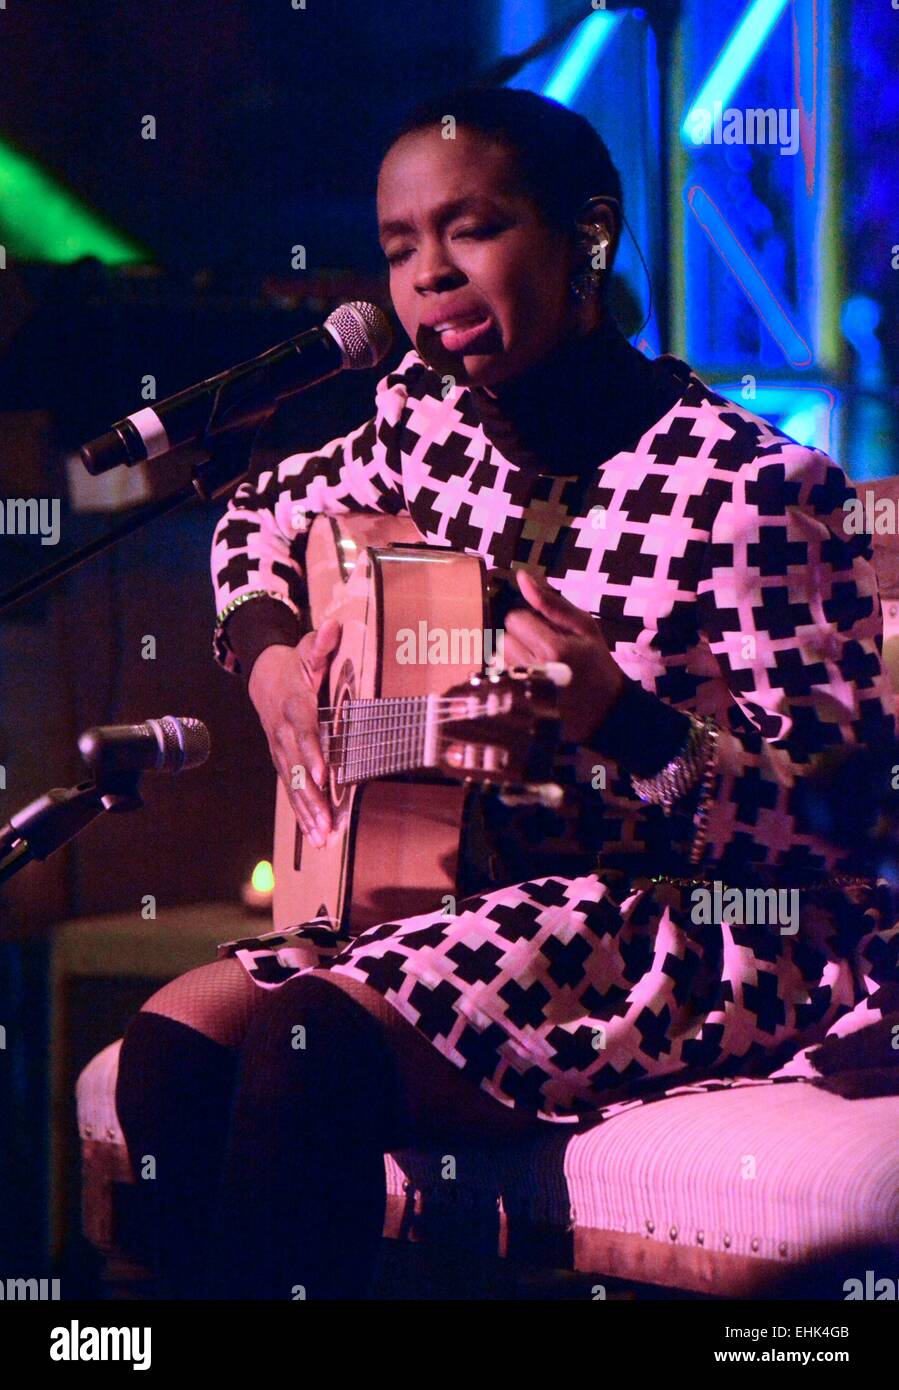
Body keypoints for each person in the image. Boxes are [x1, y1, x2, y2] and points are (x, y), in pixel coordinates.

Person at [115, 86, 897, 1300]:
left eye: (469, 230)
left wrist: (623, 720)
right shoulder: (425, 422)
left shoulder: (751, 486)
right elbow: (262, 512)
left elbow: (844, 819)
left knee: (307, 1043)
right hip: (470, 887)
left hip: (695, 923)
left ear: (586, 236)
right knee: (171, 1046)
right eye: (398, 247)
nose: (427, 275)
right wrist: (269, 655)